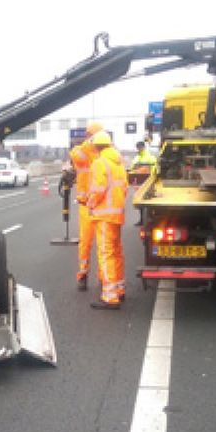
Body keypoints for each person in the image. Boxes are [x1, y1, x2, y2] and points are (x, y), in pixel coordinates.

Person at [86, 130, 128, 309]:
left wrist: (90, 203)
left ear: (96, 147)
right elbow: (124, 187)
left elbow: (98, 189)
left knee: (106, 254)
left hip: (104, 215)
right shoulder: (118, 163)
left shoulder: (99, 163)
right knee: (117, 252)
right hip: (116, 214)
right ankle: (119, 288)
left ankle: (110, 297)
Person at [67, 121, 104, 291]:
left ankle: (84, 275)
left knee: (87, 243)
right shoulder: (99, 153)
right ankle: (101, 278)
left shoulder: (80, 151)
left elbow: (76, 154)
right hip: (98, 205)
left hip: (90, 206)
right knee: (101, 244)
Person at [129, 141, 156, 226]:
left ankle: (148, 220)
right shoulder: (137, 157)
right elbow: (132, 168)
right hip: (140, 182)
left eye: (140, 147)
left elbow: (154, 168)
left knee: (147, 202)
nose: (139, 149)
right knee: (140, 203)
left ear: (143, 147)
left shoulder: (149, 157)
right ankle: (142, 220)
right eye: (138, 148)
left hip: (147, 181)